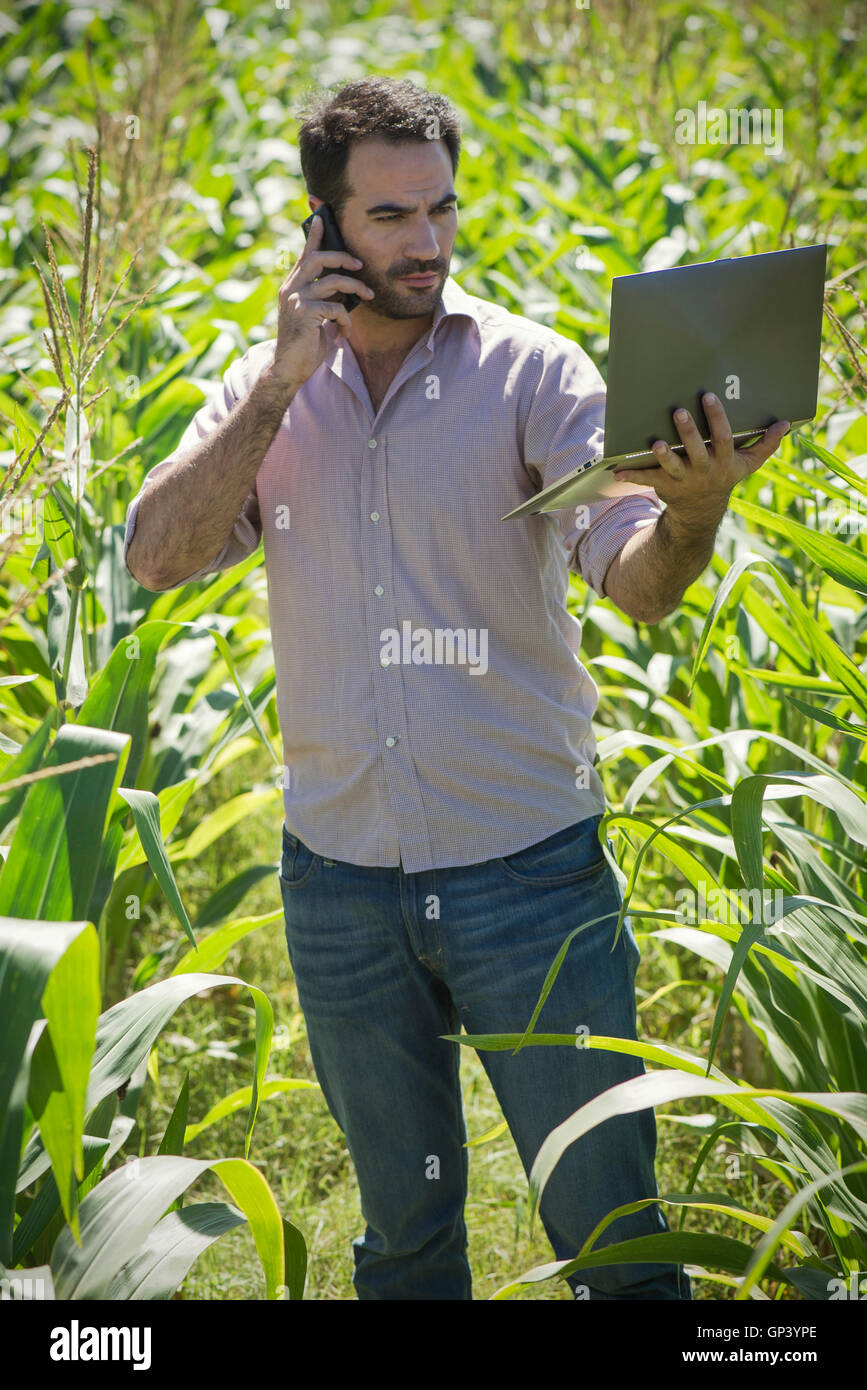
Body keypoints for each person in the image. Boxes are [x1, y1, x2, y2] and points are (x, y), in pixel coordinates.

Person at [124, 76, 789, 1300]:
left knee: (619, 1245)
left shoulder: (529, 374)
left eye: (441, 210)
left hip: (529, 876)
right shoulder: (270, 393)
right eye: (390, 217)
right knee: (406, 1242)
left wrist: (694, 509)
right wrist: (276, 384)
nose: (426, 242)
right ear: (320, 228)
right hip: (340, 887)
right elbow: (155, 556)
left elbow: (637, 580)